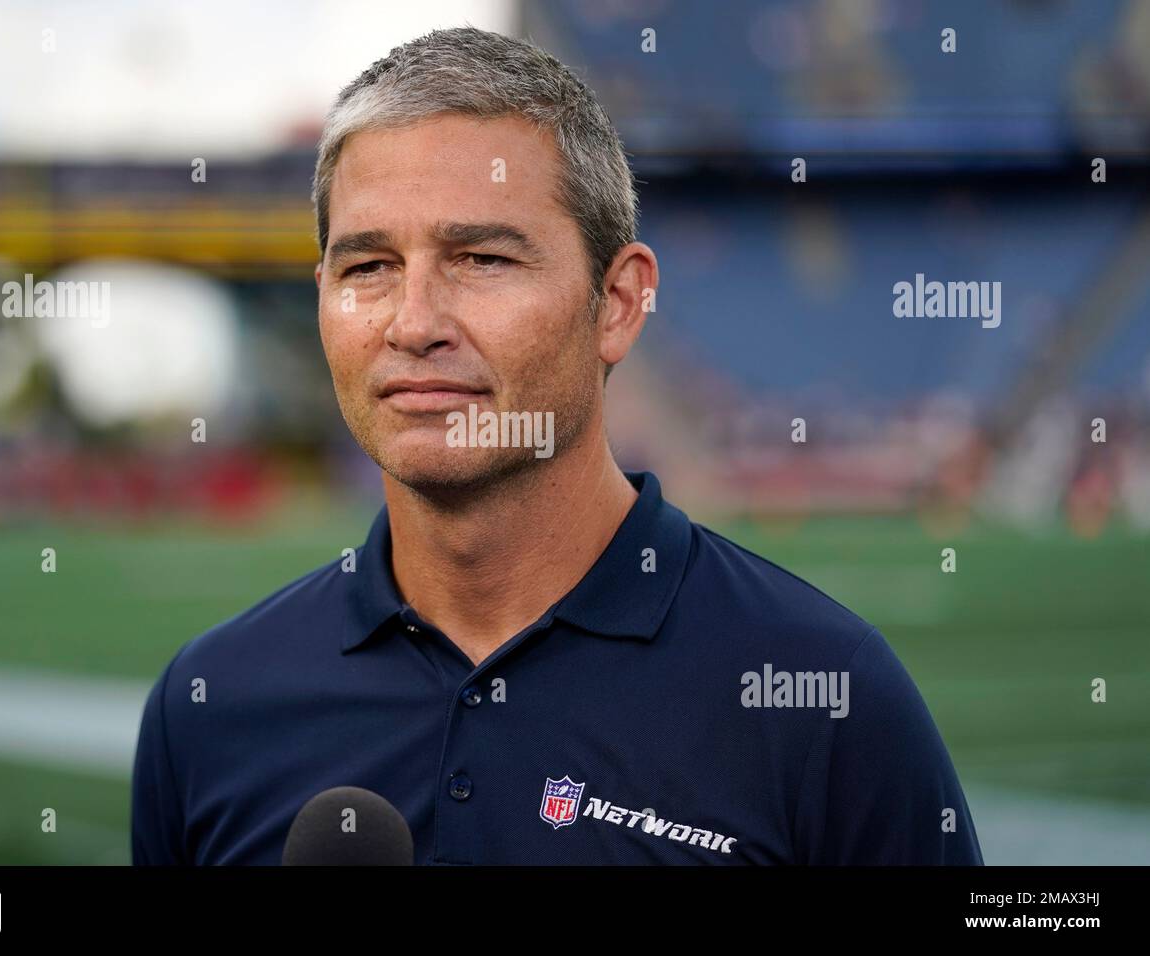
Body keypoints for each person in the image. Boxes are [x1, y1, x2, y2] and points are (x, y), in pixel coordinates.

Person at [132, 26, 982, 865]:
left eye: (483, 259)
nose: (414, 323)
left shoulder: (826, 694)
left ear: (616, 304)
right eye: (367, 268)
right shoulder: (209, 706)